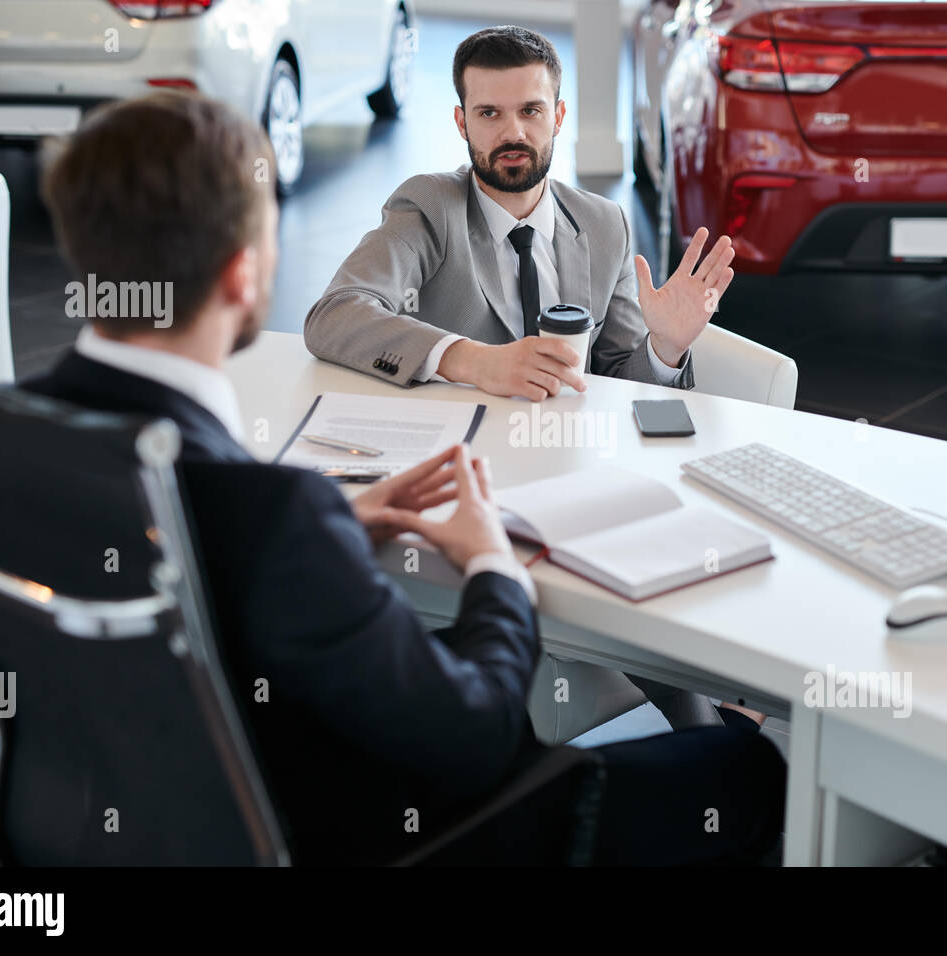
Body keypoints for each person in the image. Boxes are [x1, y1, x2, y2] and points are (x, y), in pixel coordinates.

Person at [25, 90, 785, 865]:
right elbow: (477, 730)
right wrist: (492, 563)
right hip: (404, 831)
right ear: (241, 276)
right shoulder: (277, 513)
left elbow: (189, 542)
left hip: (128, 817)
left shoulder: (9, 434)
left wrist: (332, 526)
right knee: (745, 770)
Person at [307, 23, 738, 729]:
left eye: (531, 111)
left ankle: (713, 737)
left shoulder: (601, 225)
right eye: (490, 113)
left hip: (579, 484)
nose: (513, 131)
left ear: (558, 116)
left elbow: (621, 378)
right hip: (469, 499)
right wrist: (473, 360)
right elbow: (335, 314)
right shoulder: (427, 209)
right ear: (461, 121)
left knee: (665, 612)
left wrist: (663, 347)